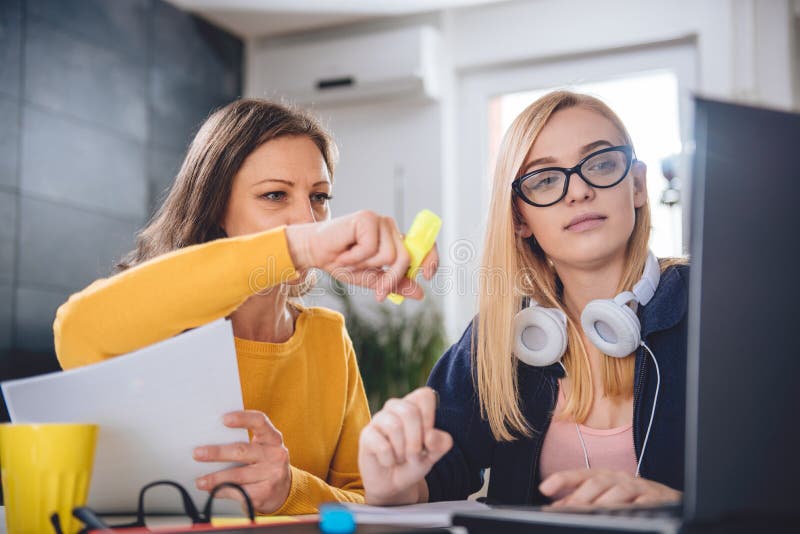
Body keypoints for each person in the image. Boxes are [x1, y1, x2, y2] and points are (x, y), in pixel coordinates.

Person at [53, 99, 438, 515]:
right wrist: (301, 245)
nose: (308, 218)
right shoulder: (158, 327)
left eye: (320, 197)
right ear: (216, 207)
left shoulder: (328, 338)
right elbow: (76, 330)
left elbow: (366, 499)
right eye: (275, 195)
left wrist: (291, 489)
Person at [358, 90, 688, 508]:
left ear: (637, 186)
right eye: (545, 179)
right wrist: (393, 485)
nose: (578, 191)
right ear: (519, 218)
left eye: (601, 164)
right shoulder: (499, 336)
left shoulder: (713, 308)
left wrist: (682, 506)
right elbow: (440, 468)